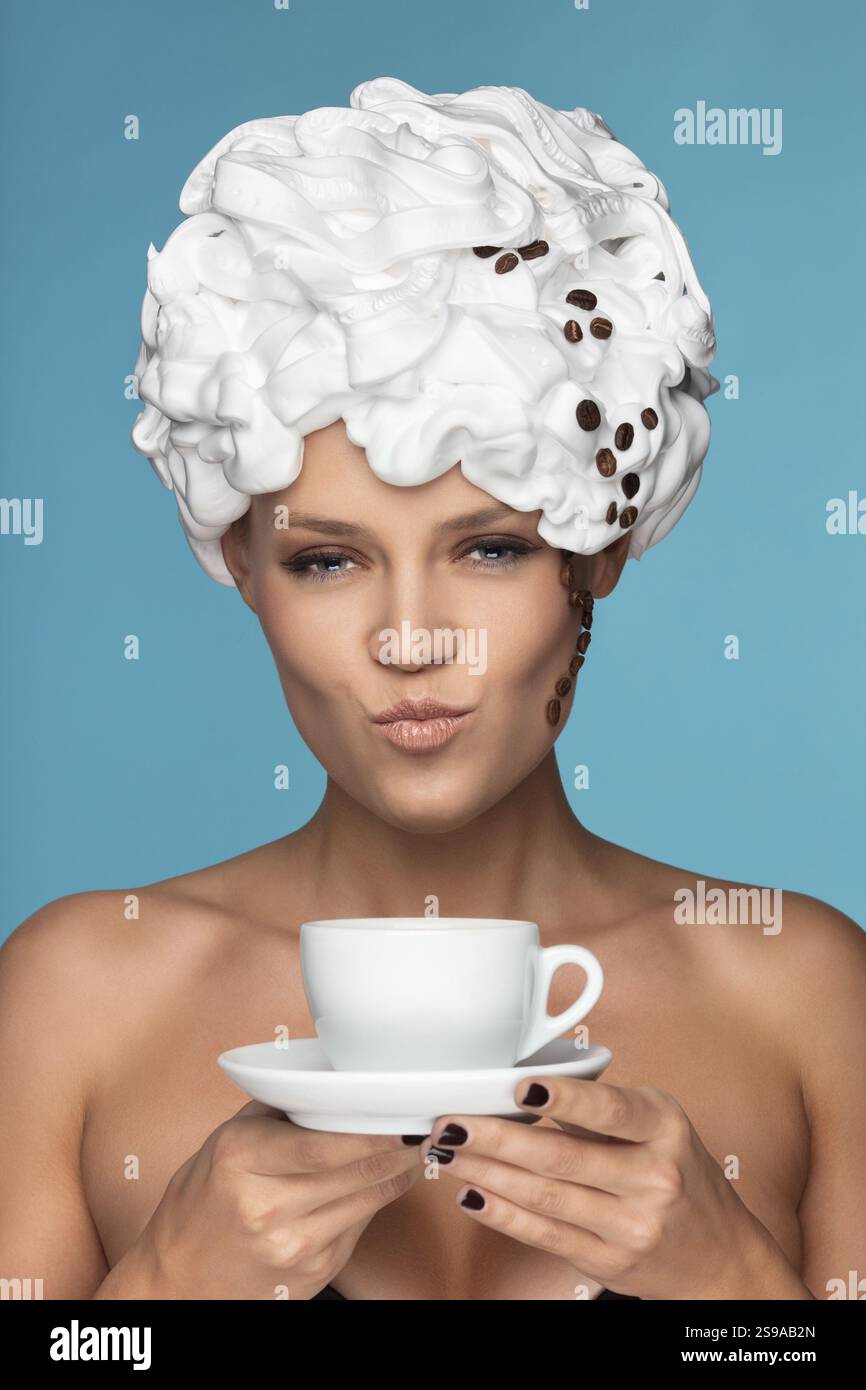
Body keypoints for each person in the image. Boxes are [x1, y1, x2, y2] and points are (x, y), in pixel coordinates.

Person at [1, 79, 863, 1302]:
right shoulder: (76, 991)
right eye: (328, 560)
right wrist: (165, 1293)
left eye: (489, 547)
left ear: (595, 553)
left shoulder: (798, 988)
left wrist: (731, 1286)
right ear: (242, 565)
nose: (409, 640)